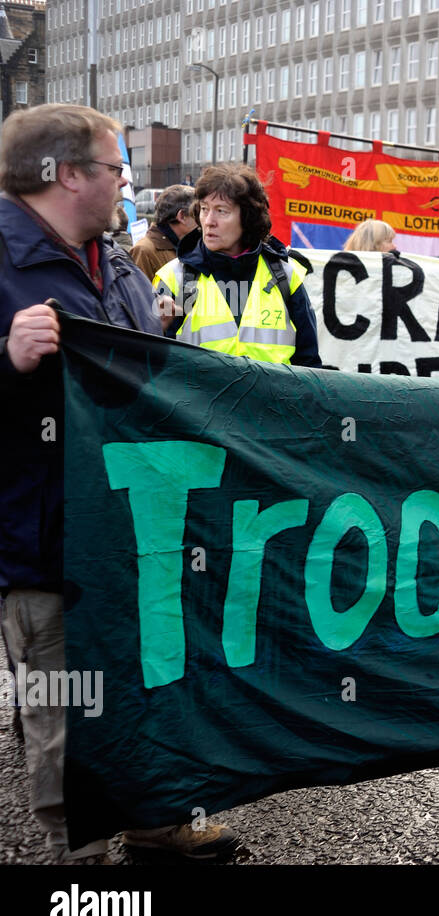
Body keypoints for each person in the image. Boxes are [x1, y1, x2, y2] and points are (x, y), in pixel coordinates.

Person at [0, 103, 238, 863]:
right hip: (45, 548)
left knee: (140, 687)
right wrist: (4, 359)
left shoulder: (119, 267)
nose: (126, 183)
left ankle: (150, 820)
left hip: (137, 529)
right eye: (116, 169)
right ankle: (76, 863)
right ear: (67, 174)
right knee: (63, 711)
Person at [154, 163, 322, 367]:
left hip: (272, 399)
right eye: (204, 209)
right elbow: (153, 365)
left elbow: (309, 362)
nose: (208, 221)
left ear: (247, 218)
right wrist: (157, 327)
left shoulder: (285, 276)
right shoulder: (174, 278)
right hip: (199, 399)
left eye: (221, 211)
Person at [129, 184, 196, 283]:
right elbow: (138, 295)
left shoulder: (187, 246)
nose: (204, 219)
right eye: (197, 213)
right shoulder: (143, 251)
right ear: (182, 217)